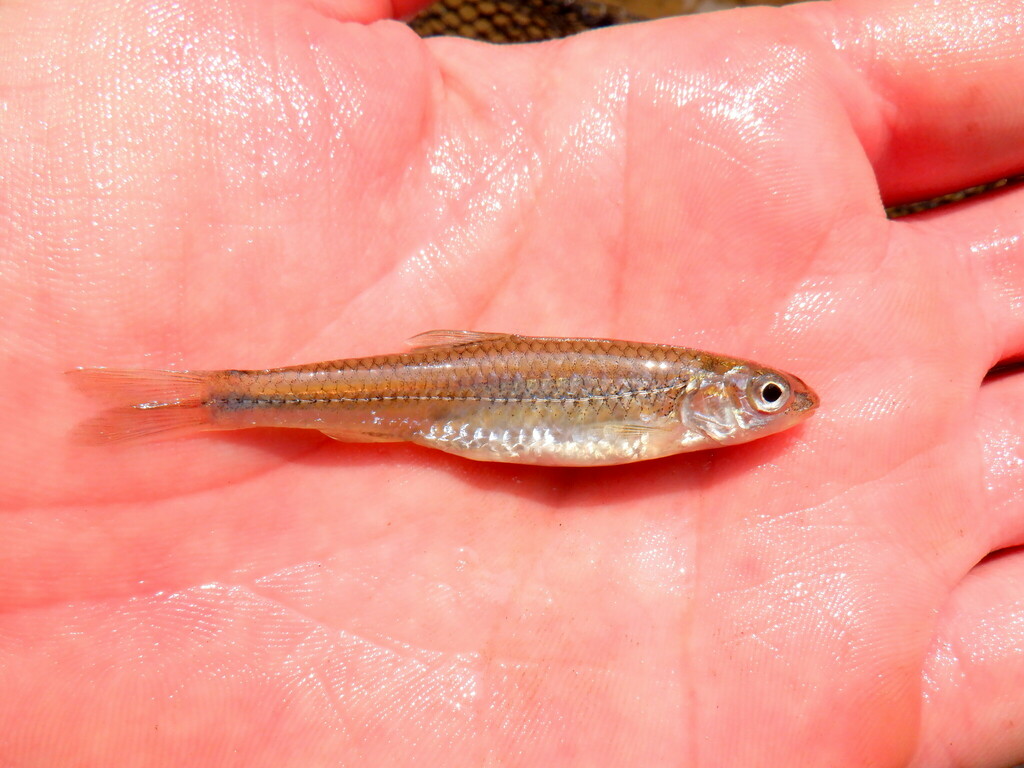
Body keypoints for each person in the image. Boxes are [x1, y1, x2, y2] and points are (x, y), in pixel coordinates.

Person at [2, 0, 1023, 764]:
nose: (779, 409)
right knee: (345, 403)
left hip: (435, 396)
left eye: (769, 396)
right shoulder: (667, 394)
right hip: (435, 393)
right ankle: (213, 397)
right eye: (763, 395)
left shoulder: (669, 395)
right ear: (707, 395)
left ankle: (208, 399)